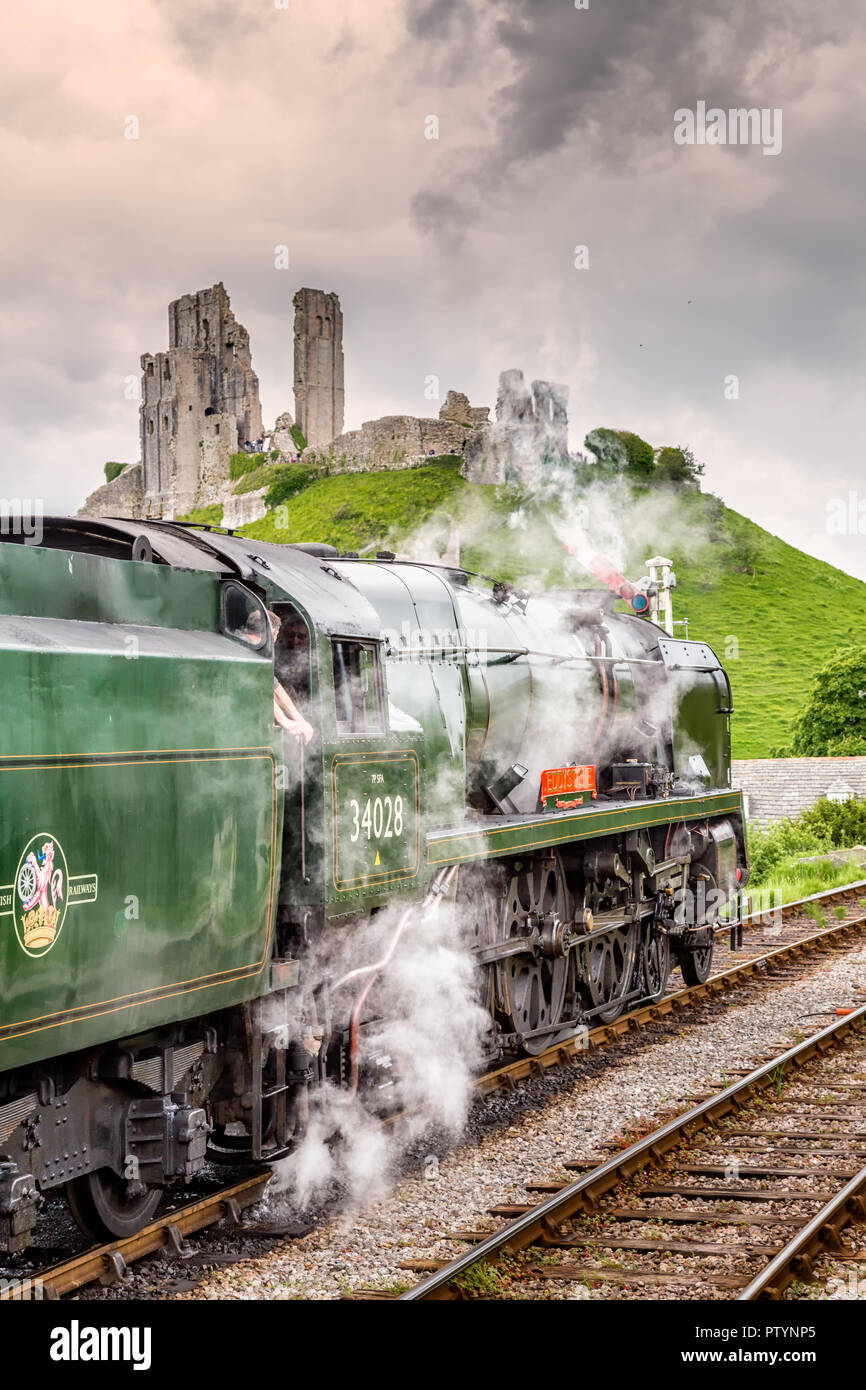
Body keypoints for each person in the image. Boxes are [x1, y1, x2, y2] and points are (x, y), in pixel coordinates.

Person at [239, 608, 313, 745]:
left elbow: (272, 686)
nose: (274, 641)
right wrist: (285, 721)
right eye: (275, 636)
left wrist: (299, 720)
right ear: (271, 633)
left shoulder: (245, 647)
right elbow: (258, 689)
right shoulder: (245, 652)